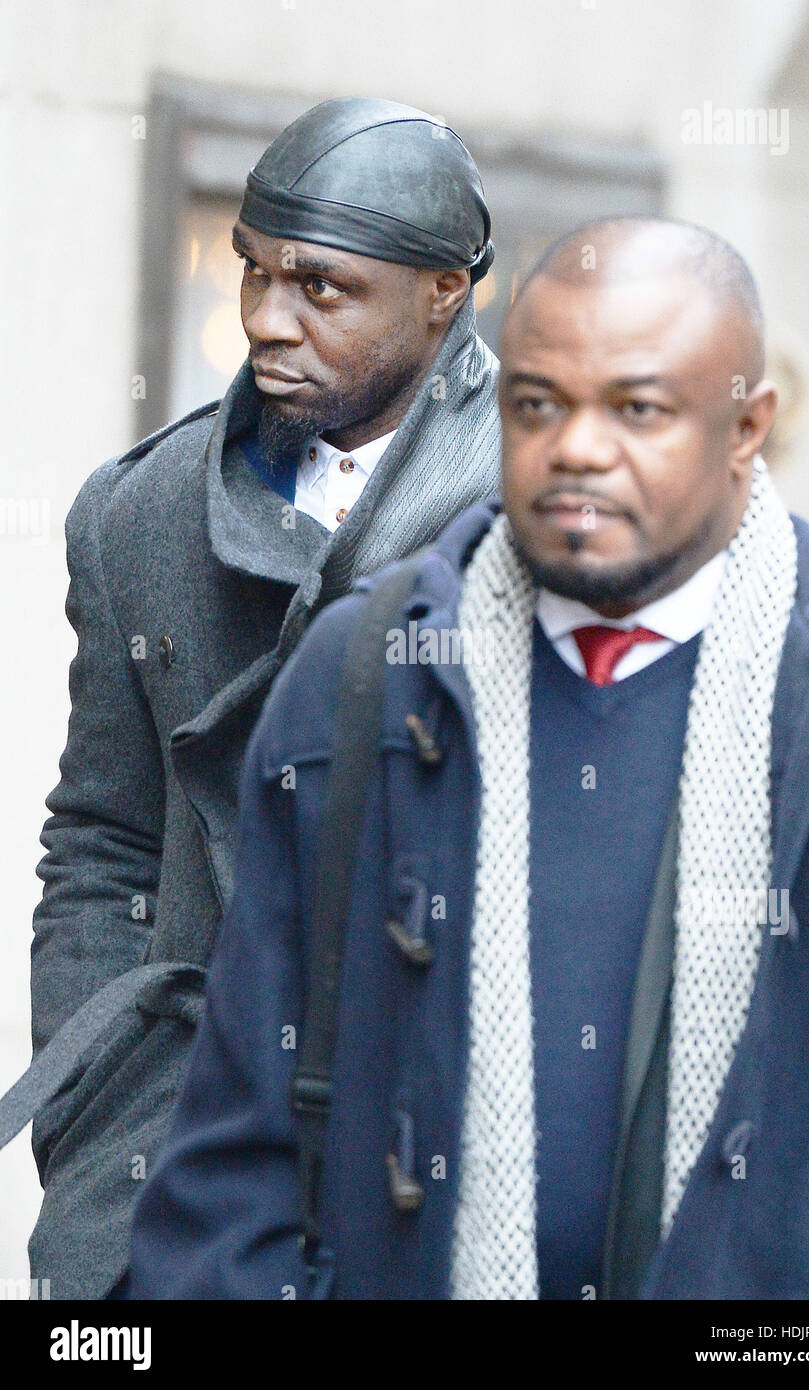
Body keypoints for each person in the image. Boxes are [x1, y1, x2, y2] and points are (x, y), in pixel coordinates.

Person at [123, 217, 809, 1299]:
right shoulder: (366, 676)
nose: (576, 446)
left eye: (638, 408)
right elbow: (233, 1158)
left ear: (744, 427)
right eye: (538, 404)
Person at [4, 95, 500, 1300]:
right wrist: (94, 1118)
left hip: (448, 1157)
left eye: (321, 288)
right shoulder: (141, 510)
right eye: (252, 273)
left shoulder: (548, 511)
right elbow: (104, 837)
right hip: (176, 1166)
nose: (267, 321)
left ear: (443, 291)